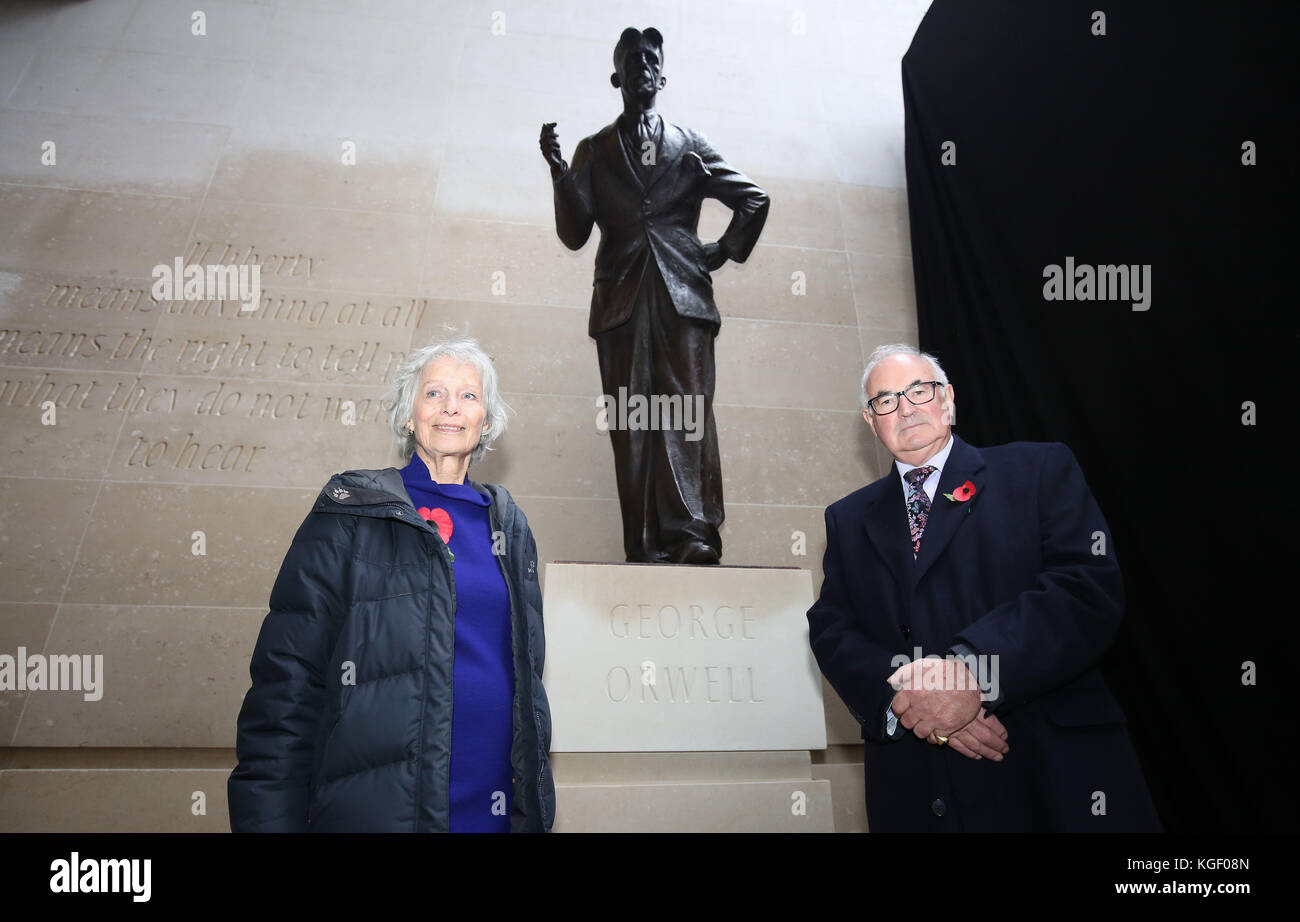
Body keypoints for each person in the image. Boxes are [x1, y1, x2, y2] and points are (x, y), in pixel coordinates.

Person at [806, 343, 1161, 831]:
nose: (905, 408)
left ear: (948, 399)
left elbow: (1084, 586)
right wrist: (913, 705)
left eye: (919, 391)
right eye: (884, 400)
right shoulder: (846, 518)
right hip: (916, 782)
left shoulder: (1037, 471)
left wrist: (972, 675)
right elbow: (831, 628)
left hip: (1046, 769)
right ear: (871, 423)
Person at [228, 337, 554, 833]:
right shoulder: (353, 511)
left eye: (469, 396)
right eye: (434, 393)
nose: (450, 407)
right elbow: (287, 684)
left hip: (495, 809)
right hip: (382, 812)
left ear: (486, 421)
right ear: (409, 415)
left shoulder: (509, 527)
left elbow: (527, 681)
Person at [540, 26, 769, 564]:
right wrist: (559, 175)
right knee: (632, 417)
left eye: (651, 58)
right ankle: (642, 543)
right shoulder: (593, 150)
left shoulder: (688, 144)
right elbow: (575, 233)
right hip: (620, 298)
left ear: (661, 75)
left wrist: (722, 250)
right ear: (618, 76)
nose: (643, 65)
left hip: (682, 295)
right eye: (632, 59)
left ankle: (692, 533)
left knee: (686, 410)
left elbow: (754, 199)